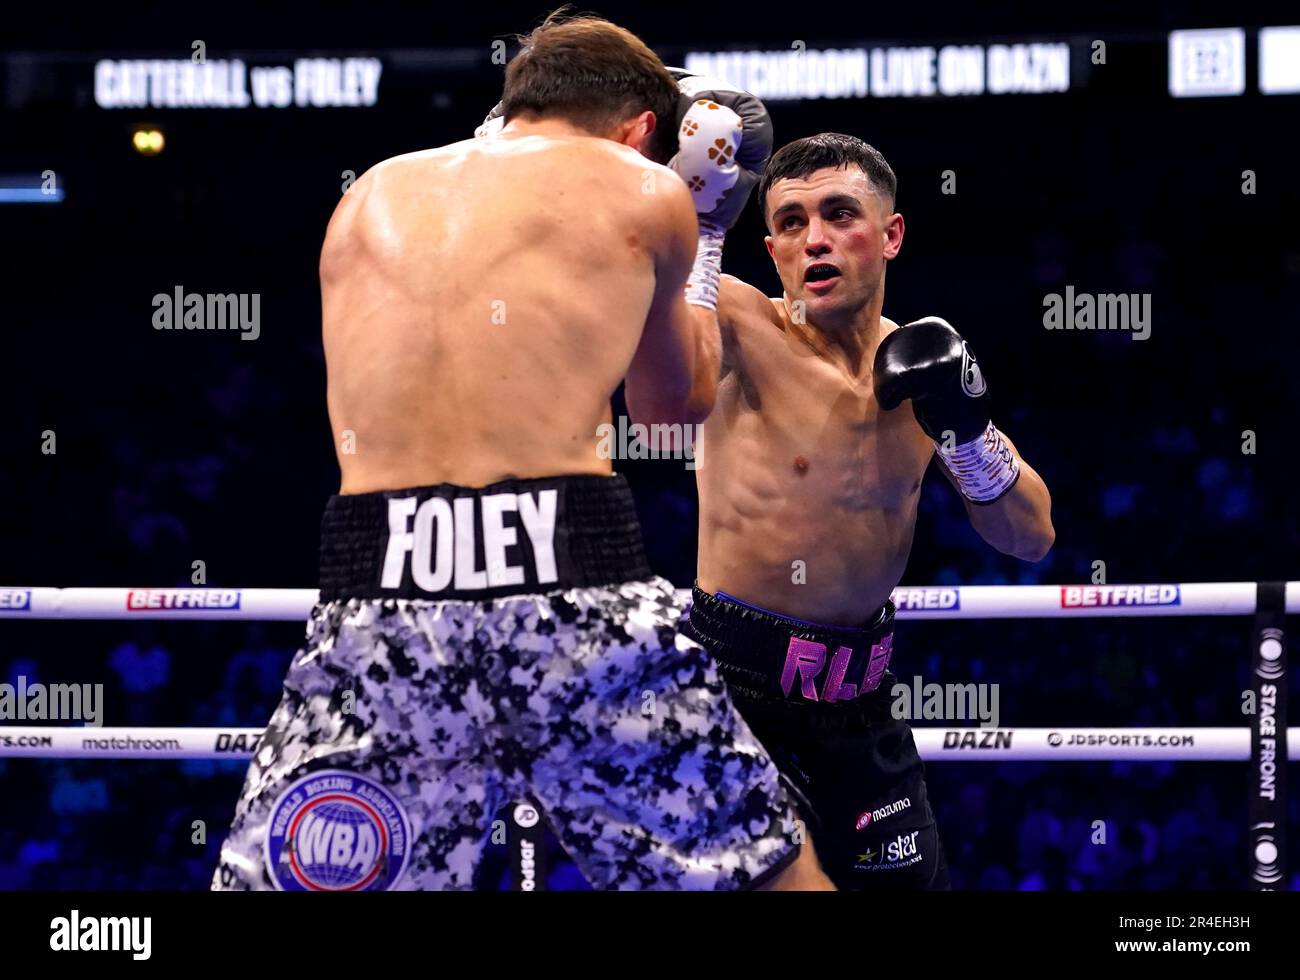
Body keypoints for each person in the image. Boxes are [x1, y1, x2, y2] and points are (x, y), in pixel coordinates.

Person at [212, 12, 830, 891]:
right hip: (568, 578)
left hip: (382, 588)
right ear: (642, 131)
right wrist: (706, 222)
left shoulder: (369, 195)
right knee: (766, 878)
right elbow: (672, 405)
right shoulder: (639, 187)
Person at [682, 132, 1055, 890]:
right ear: (773, 249)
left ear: (891, 236)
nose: (814, 238)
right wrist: (691, 195)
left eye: (839, 214)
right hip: (736, 695)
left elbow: (1031, 536)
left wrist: (966, 433)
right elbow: (634, 276)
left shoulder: (919, 370)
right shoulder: (736, 327)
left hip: (861, 705)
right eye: (790, 223)